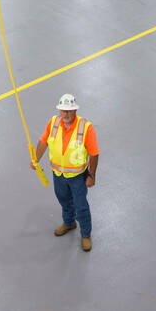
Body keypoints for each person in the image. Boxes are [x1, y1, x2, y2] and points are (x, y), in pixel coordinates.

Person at [33, 94, 99, 251]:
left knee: (80, 205)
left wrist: (92, 175)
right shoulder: (53, 123)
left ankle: (86, 234)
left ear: (75, 110)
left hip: (77, 177)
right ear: (59, 110)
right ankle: (69, 223)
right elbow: (43, 141)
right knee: (63, 200)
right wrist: (36, 159)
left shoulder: (86, 127)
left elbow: (94, 153)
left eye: (69, 110)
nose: (66, 114)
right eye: (63, 110)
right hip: (58, 175)